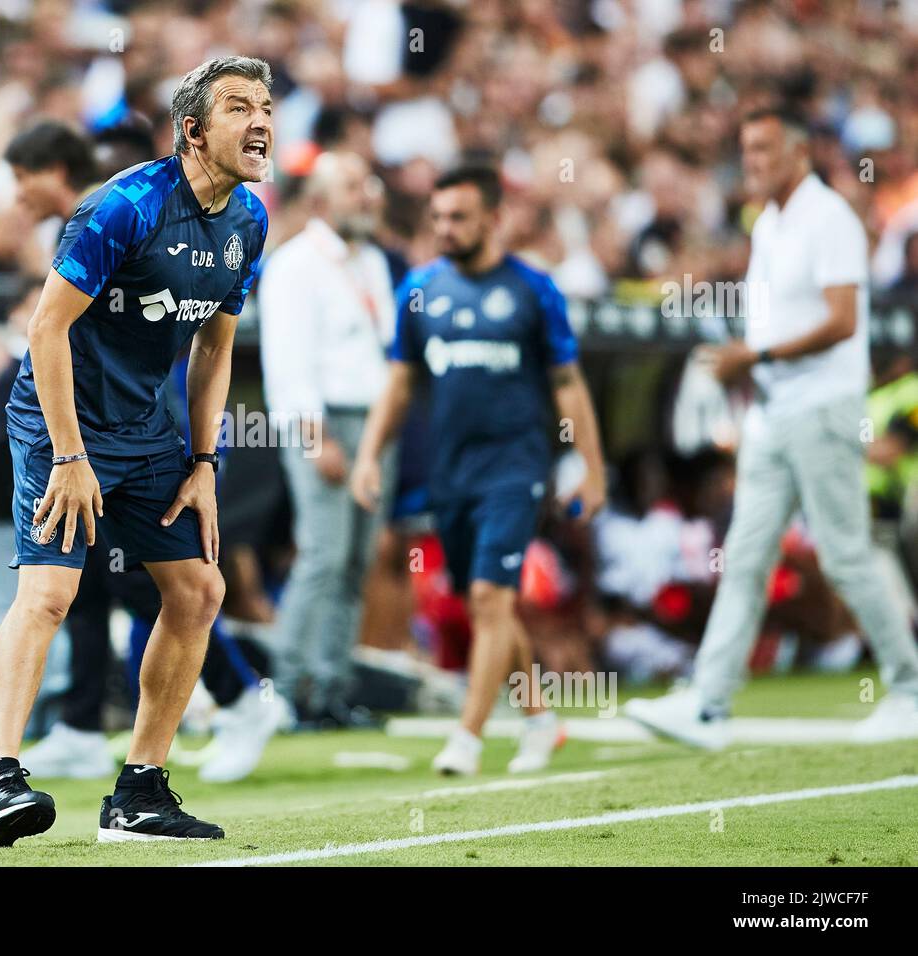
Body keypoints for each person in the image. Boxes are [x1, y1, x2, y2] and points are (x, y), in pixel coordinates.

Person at [0, 55, 272, 848]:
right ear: (193, 130)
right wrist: (70, 457)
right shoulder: (123, 205)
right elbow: (45, 329)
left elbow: (214, 350)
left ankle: (139, 792)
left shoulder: (249, 222)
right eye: (239, 107)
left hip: (145, 430)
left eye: (267, 106)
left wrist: (204, 465)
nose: (262, 121)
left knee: (199, 591)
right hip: (60, 423)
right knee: (50, 595)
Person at [625, 107, 918, 747]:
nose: (752, 161)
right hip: (774, 412)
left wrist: (754, 358)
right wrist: (755, 371)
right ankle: (709, 703)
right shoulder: (770, 224)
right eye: (746, 150)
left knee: (844, 553)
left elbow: (843, 320)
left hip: (823, 409)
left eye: (764, 149)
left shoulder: (828, 217)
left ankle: (909, 686)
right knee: (746, 557)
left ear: (798, 153)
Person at [352, 165, 607, 775]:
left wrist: (592, 469)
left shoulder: (533, 289)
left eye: (458, 217)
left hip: (516, 467)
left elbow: (567, 383)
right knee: (483, 602)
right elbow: (400, 381)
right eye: (437, 217)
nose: (444, 228)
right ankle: (542, 719)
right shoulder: (418, 289)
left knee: (493, 595)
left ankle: (467, 736)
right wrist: (368, 453)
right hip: (451, 471)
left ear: (494, 219)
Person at [258, 151, 397, 726]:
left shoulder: (373, 262)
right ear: (317, 201)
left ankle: (332, 687)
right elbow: (290, 363)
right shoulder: (295, 265)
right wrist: (317, 438)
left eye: (366, 184)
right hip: (329, 420)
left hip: (375, 420)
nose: (365, 194)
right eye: (350, 186)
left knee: (357, 559)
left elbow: (383, 344)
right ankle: (287, 688)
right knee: (323, 553)